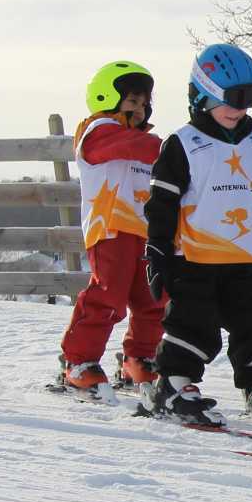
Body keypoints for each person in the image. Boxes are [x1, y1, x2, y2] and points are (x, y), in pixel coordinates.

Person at [140, 43, 252, 428]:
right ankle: (173, 386)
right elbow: (161, 203)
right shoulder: (184, 144)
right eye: (234, 99)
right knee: (194, 323)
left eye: (251, 99)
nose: (241, 109)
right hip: (193, 258)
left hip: (243, 256)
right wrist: (157, 249)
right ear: (203, 94)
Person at [55, 61, 164, 395]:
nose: (140, 109)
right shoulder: (96, 132)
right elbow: (129, 145)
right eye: (132, 101)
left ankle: (139, 357)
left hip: (145, 231)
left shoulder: (142, 140)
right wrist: (175, 149)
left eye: (144, 103)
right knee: (108, 296)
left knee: (153, 298)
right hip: (110, 229)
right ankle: (78, 360)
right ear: (107, 97)